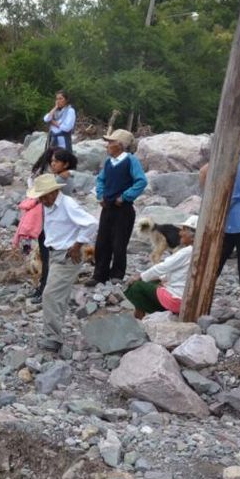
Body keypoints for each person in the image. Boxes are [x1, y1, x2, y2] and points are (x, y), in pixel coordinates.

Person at [28, 174, 97, 352]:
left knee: (50, 294)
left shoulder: (67, 204)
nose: (42, 200)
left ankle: (53, 338)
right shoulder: (49, 204)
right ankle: (56, 331)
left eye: (44, 196)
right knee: (59, 295)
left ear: (55, 191)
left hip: (68, 255)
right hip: (55, 253)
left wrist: (77, 245)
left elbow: (91, 223)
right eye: (40, 197)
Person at [201, 126, 240, 293]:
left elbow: (203, 172)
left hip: (224, 217)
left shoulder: (227, 159)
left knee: (217, 259)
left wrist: (208, 196)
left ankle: (203, 290)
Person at [87, 129, 148, 287]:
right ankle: (99, 275)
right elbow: (100, 180)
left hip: (123, 209)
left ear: (120, 145)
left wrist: (126, 196)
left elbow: (141, 181)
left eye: (111, 142)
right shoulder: (108, 162)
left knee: (119, 244)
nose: (108, 145)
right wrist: (100, 195)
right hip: (107, 207)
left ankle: (117, 275)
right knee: (102, 242)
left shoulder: (130, 160)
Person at [29, 148, 78, 303]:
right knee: (45, 256)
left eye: (56, 161)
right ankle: (43, 288)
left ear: (66, 164)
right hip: (49, 221)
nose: (52, 164)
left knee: (48, 257)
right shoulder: (60, 177)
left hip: (55, 224)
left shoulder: (61, 179)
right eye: (52, 161)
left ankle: (45, 290)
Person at [125, 216, 198, 318]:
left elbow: (164, 267)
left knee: (135, 287)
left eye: (184, 230)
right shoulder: (197, 250)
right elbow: (180, 272)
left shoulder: (187, 251)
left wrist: (140, 276)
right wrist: (161, 278)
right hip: (186, 298)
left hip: (176, 300)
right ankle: (144, 312)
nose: (180, 233)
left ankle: (144, 313)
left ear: (193, 236)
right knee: (152, 281)